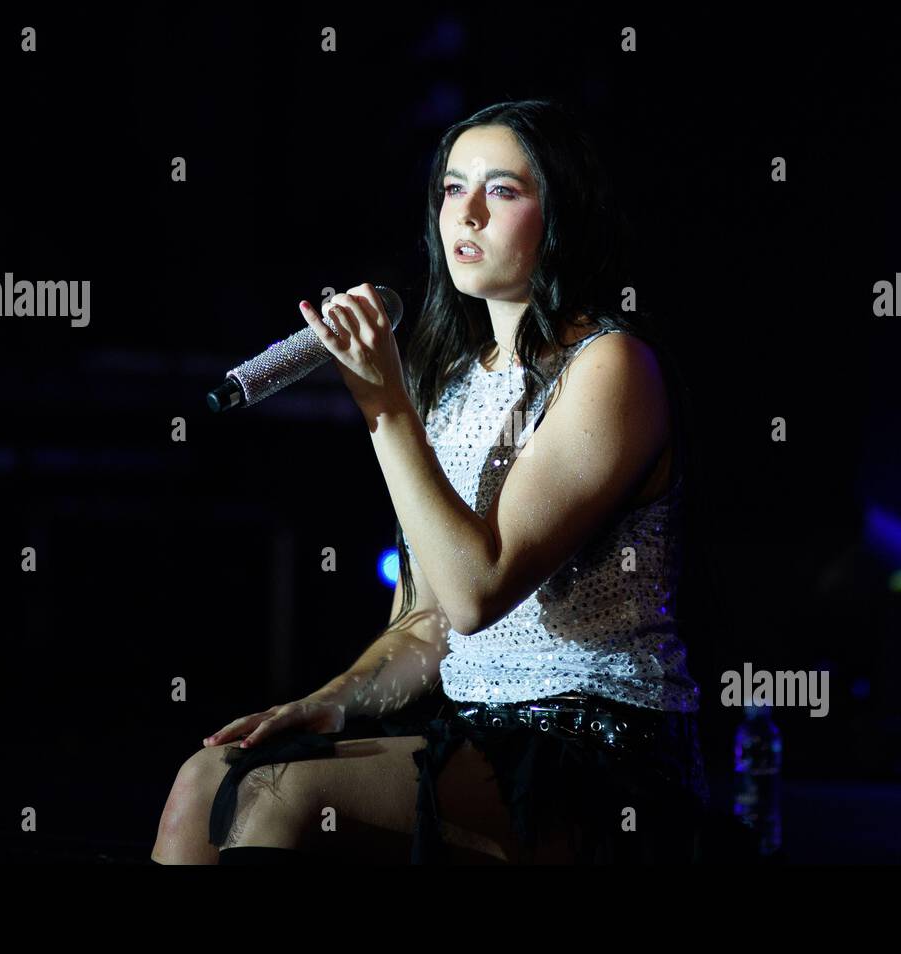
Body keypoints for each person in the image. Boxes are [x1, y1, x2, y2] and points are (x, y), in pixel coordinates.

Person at [152, 99, 729, 865]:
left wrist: (385, 408)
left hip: (597, 746)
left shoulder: (610, 367)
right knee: (204, 781)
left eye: (505, 191)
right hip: (478, 730)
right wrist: (331, 699)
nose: (471, 214)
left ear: (562, 218)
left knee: (276, 795)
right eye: (454, 189)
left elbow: (476, 592)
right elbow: (428, 622)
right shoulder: (452, 383)